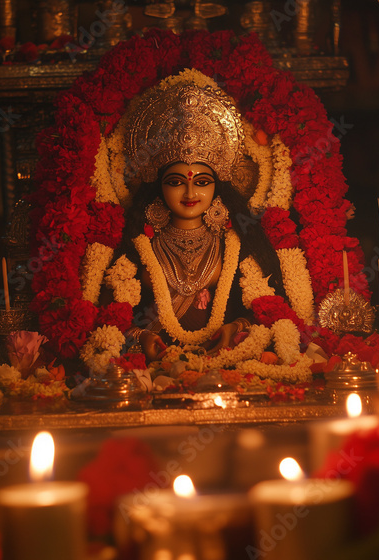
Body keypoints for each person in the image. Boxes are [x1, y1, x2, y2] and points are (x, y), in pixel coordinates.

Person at [98, 72, 285, 363]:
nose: (189, 192)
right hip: (153, 366)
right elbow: (108, 318)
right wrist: (140, 337)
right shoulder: (140, 243)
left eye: (201, 182)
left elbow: (265, 309)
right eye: (175, 182)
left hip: (223, 366)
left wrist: (235, 329)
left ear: (216, 186)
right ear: (158, 186)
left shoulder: (233, 242)